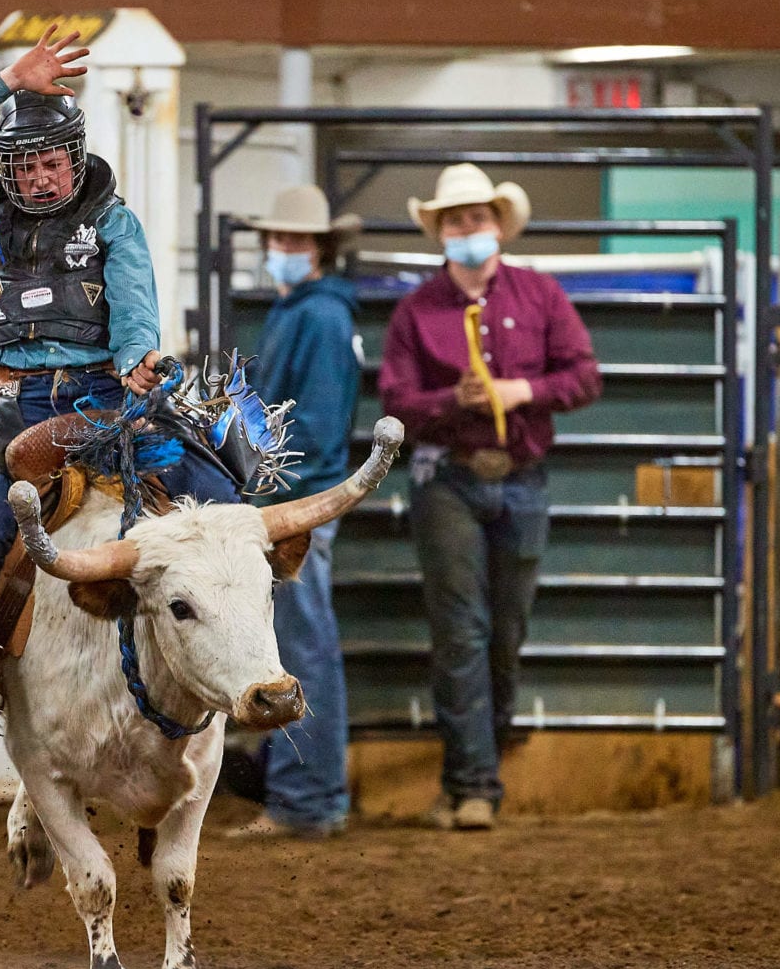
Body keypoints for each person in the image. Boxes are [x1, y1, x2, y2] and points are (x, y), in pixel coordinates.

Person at [0, 26, 239, 773]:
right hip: (18, 409)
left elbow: (133, 308)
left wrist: (137, 359)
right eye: (25, 165)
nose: (39, 178)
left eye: (51, 162)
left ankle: (240, 656)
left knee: (222, 493)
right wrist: (7, 79)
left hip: (107, 402)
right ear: (8, 169)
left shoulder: (112, 224)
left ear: (75, 157)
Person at [378, 163, 602, 831]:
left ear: (497, 225)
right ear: (440, 231)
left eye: (475, 218)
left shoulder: (541, 295)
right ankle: (474, 781)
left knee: (505, 630)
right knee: (462, 630)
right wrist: (454, 400)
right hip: (448, 476)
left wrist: (522, 392)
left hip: (523, 474)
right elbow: (396, 403)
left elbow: (584, 374)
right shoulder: (417, 311)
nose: (466, 229)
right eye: (455, 220)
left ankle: (473, 771)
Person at [225, 185, 361, 841]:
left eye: (296, 241)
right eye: (278, 239)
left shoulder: (317, 317)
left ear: (320, 249)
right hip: (292, 500)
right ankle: (304, 791)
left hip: (297, 503)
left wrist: (269, 496)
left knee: (302, 644)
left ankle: (309, 799)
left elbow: (314, 427)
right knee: (297, 642)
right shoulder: (306, 312)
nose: (283, 249)